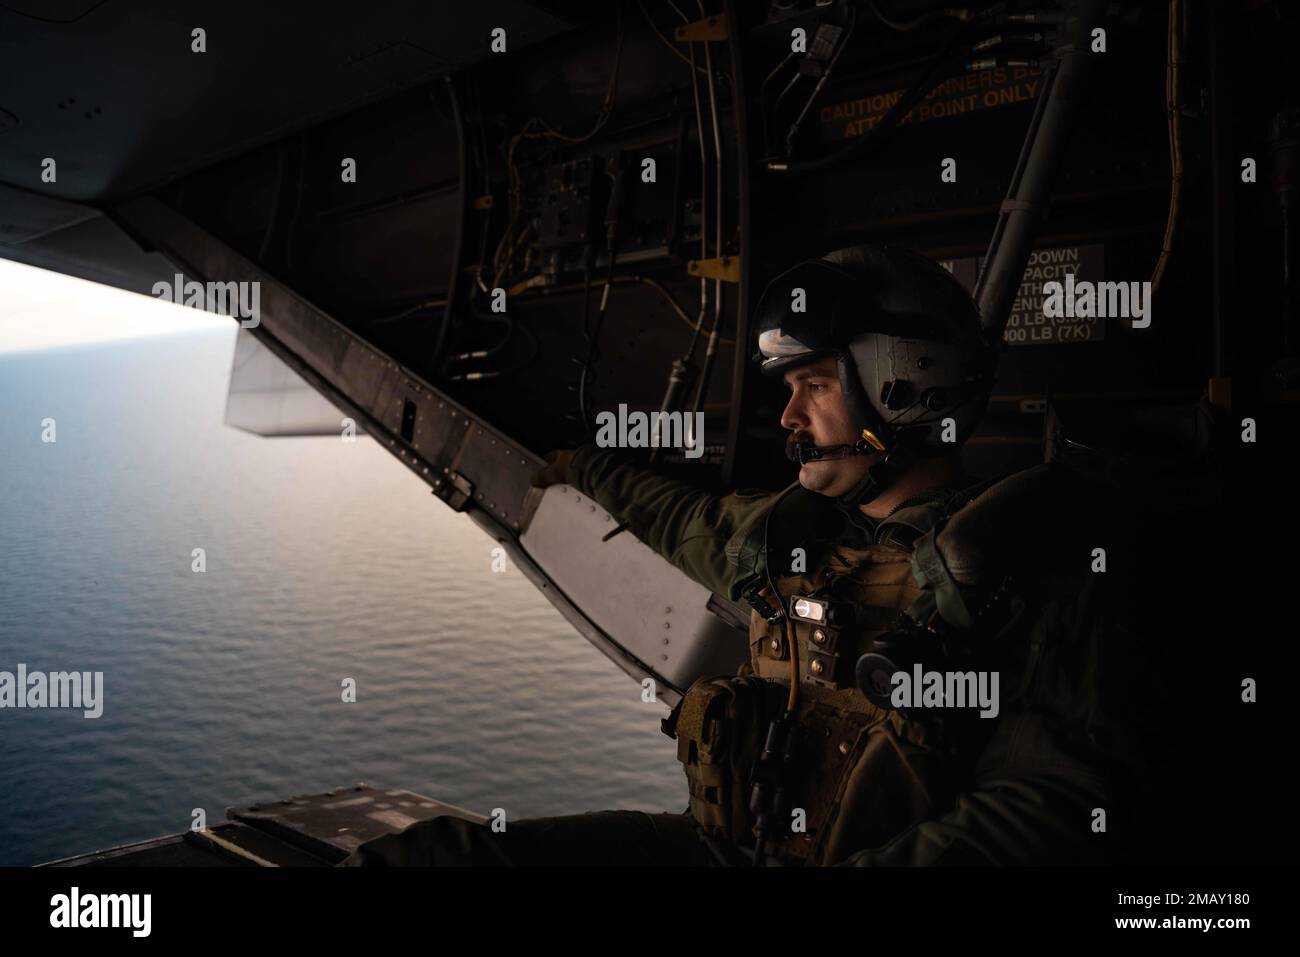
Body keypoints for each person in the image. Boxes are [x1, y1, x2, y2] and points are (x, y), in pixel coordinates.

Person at [341, 244, 1156, 867]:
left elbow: (1053, 805)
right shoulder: (783, 538)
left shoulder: (1026, 573)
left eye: (816, 386)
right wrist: (583, 466)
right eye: (787, 389)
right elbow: (675, 515)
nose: (789, 417)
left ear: (906, 383)